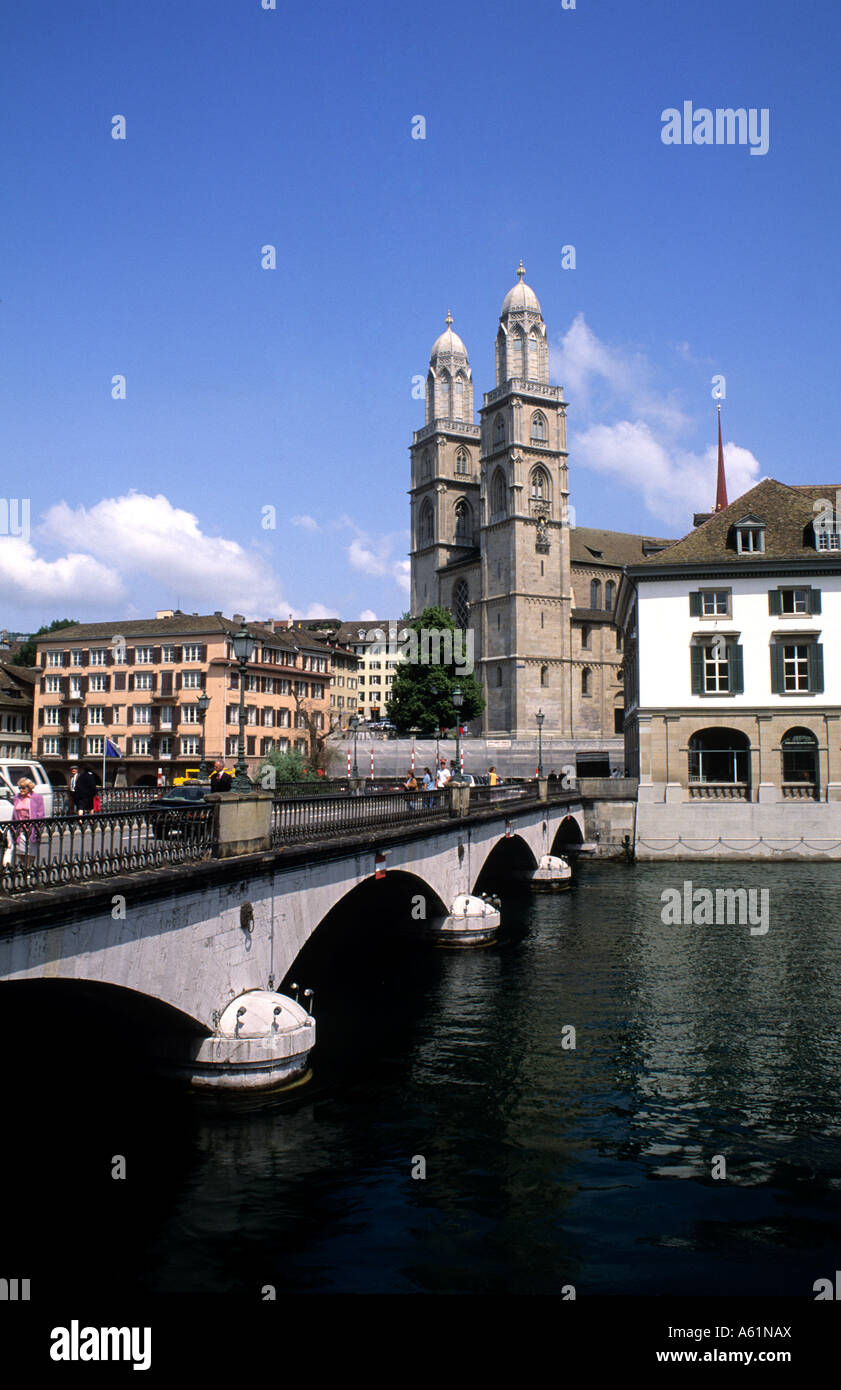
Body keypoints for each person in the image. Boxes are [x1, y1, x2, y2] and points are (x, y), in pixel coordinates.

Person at [12, 777, 45, 865]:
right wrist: (13, 826)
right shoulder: (16, 797)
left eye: (23, 788)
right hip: (20, 828)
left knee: (31, 850)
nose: (21, 790)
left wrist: (38, 828)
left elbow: (40, 814)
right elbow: (14, 813)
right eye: (19, 788)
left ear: (29, 788)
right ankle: (26, 866)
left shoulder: (37, 797)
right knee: (19, 851)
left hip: (31, 828)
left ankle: (29, 868)